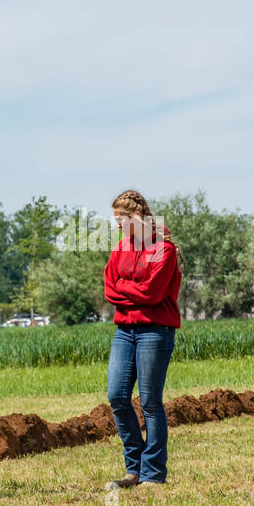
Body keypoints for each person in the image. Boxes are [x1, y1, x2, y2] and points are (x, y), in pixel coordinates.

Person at [103, 189, 181, 487]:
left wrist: (126, 287)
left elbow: (154, 293)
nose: (117, 226)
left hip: (155, 331)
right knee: (116, 396)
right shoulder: (120, 248)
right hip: (124, 331)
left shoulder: (165, 249)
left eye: (120, 220)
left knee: (150, 402)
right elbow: (109, 289)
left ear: (136, 218)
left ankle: (153, 473)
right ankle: (133, 469)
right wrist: (131, 290)